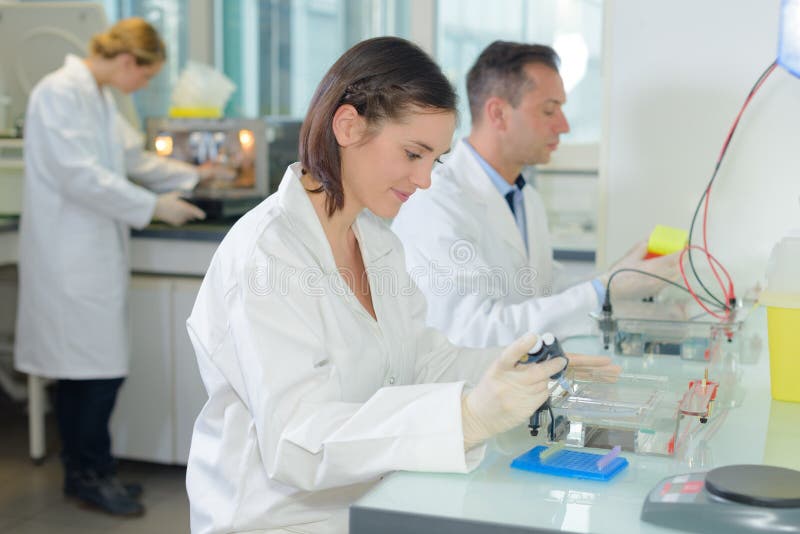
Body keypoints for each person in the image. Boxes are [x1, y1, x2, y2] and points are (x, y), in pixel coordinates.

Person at [185, 37, 612, 534]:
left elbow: (427, 360)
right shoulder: (267, 254)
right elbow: (298, 439)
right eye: (413, 153)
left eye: (436, 160)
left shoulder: (376, 242)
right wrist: (467, 416)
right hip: (278, 521)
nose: (425, 180)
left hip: (374, 502)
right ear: (348, 126)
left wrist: (523, 368)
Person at [14, 17, 209, 517]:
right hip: (68, 261)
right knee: (89, 378)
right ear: (128, 62)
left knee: (98, 374)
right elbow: (81, 176)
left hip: (93, 258)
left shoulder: (98, 98)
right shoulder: (59, 93)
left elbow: (133, 158)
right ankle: (87, 475)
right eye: (145, 77)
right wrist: (153, 206)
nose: (142, 87)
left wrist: (195, 174)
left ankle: (93, 467)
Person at [391, 41, 679, 348]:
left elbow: (544, 292)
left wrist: (617, 279)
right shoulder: (436, 200)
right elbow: (472, 331)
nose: (564, 125)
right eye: (549, 110)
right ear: (498, 113)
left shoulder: (524, 198)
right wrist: (601, 290)